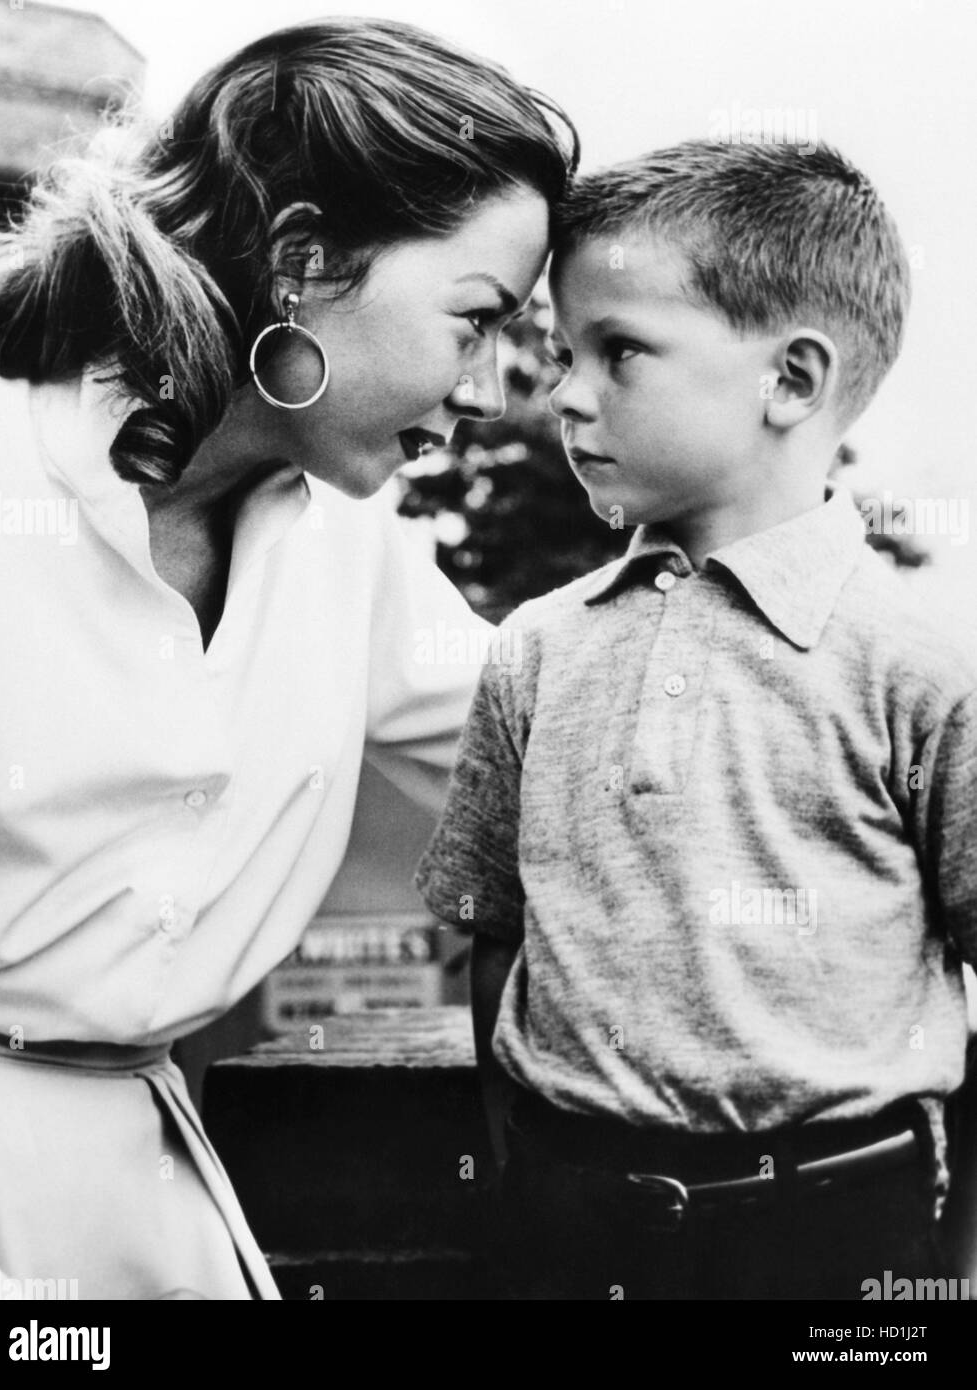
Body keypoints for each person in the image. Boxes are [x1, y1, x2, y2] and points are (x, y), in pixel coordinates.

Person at [0, 17, 577, 1300]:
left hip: (151, 1210)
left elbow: (573, 742)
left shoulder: (350, 545)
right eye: (476, 320)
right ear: (300, 259)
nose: (494, 390)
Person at [416, 139, 977, 1299]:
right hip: (566, 1227)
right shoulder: (534, 649)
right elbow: (491, 935)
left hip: (840, 1236)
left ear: (791, 381)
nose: (563, 392)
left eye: (618, 351)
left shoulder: (919, 667)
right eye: (564, 351)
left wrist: (952, 1262)